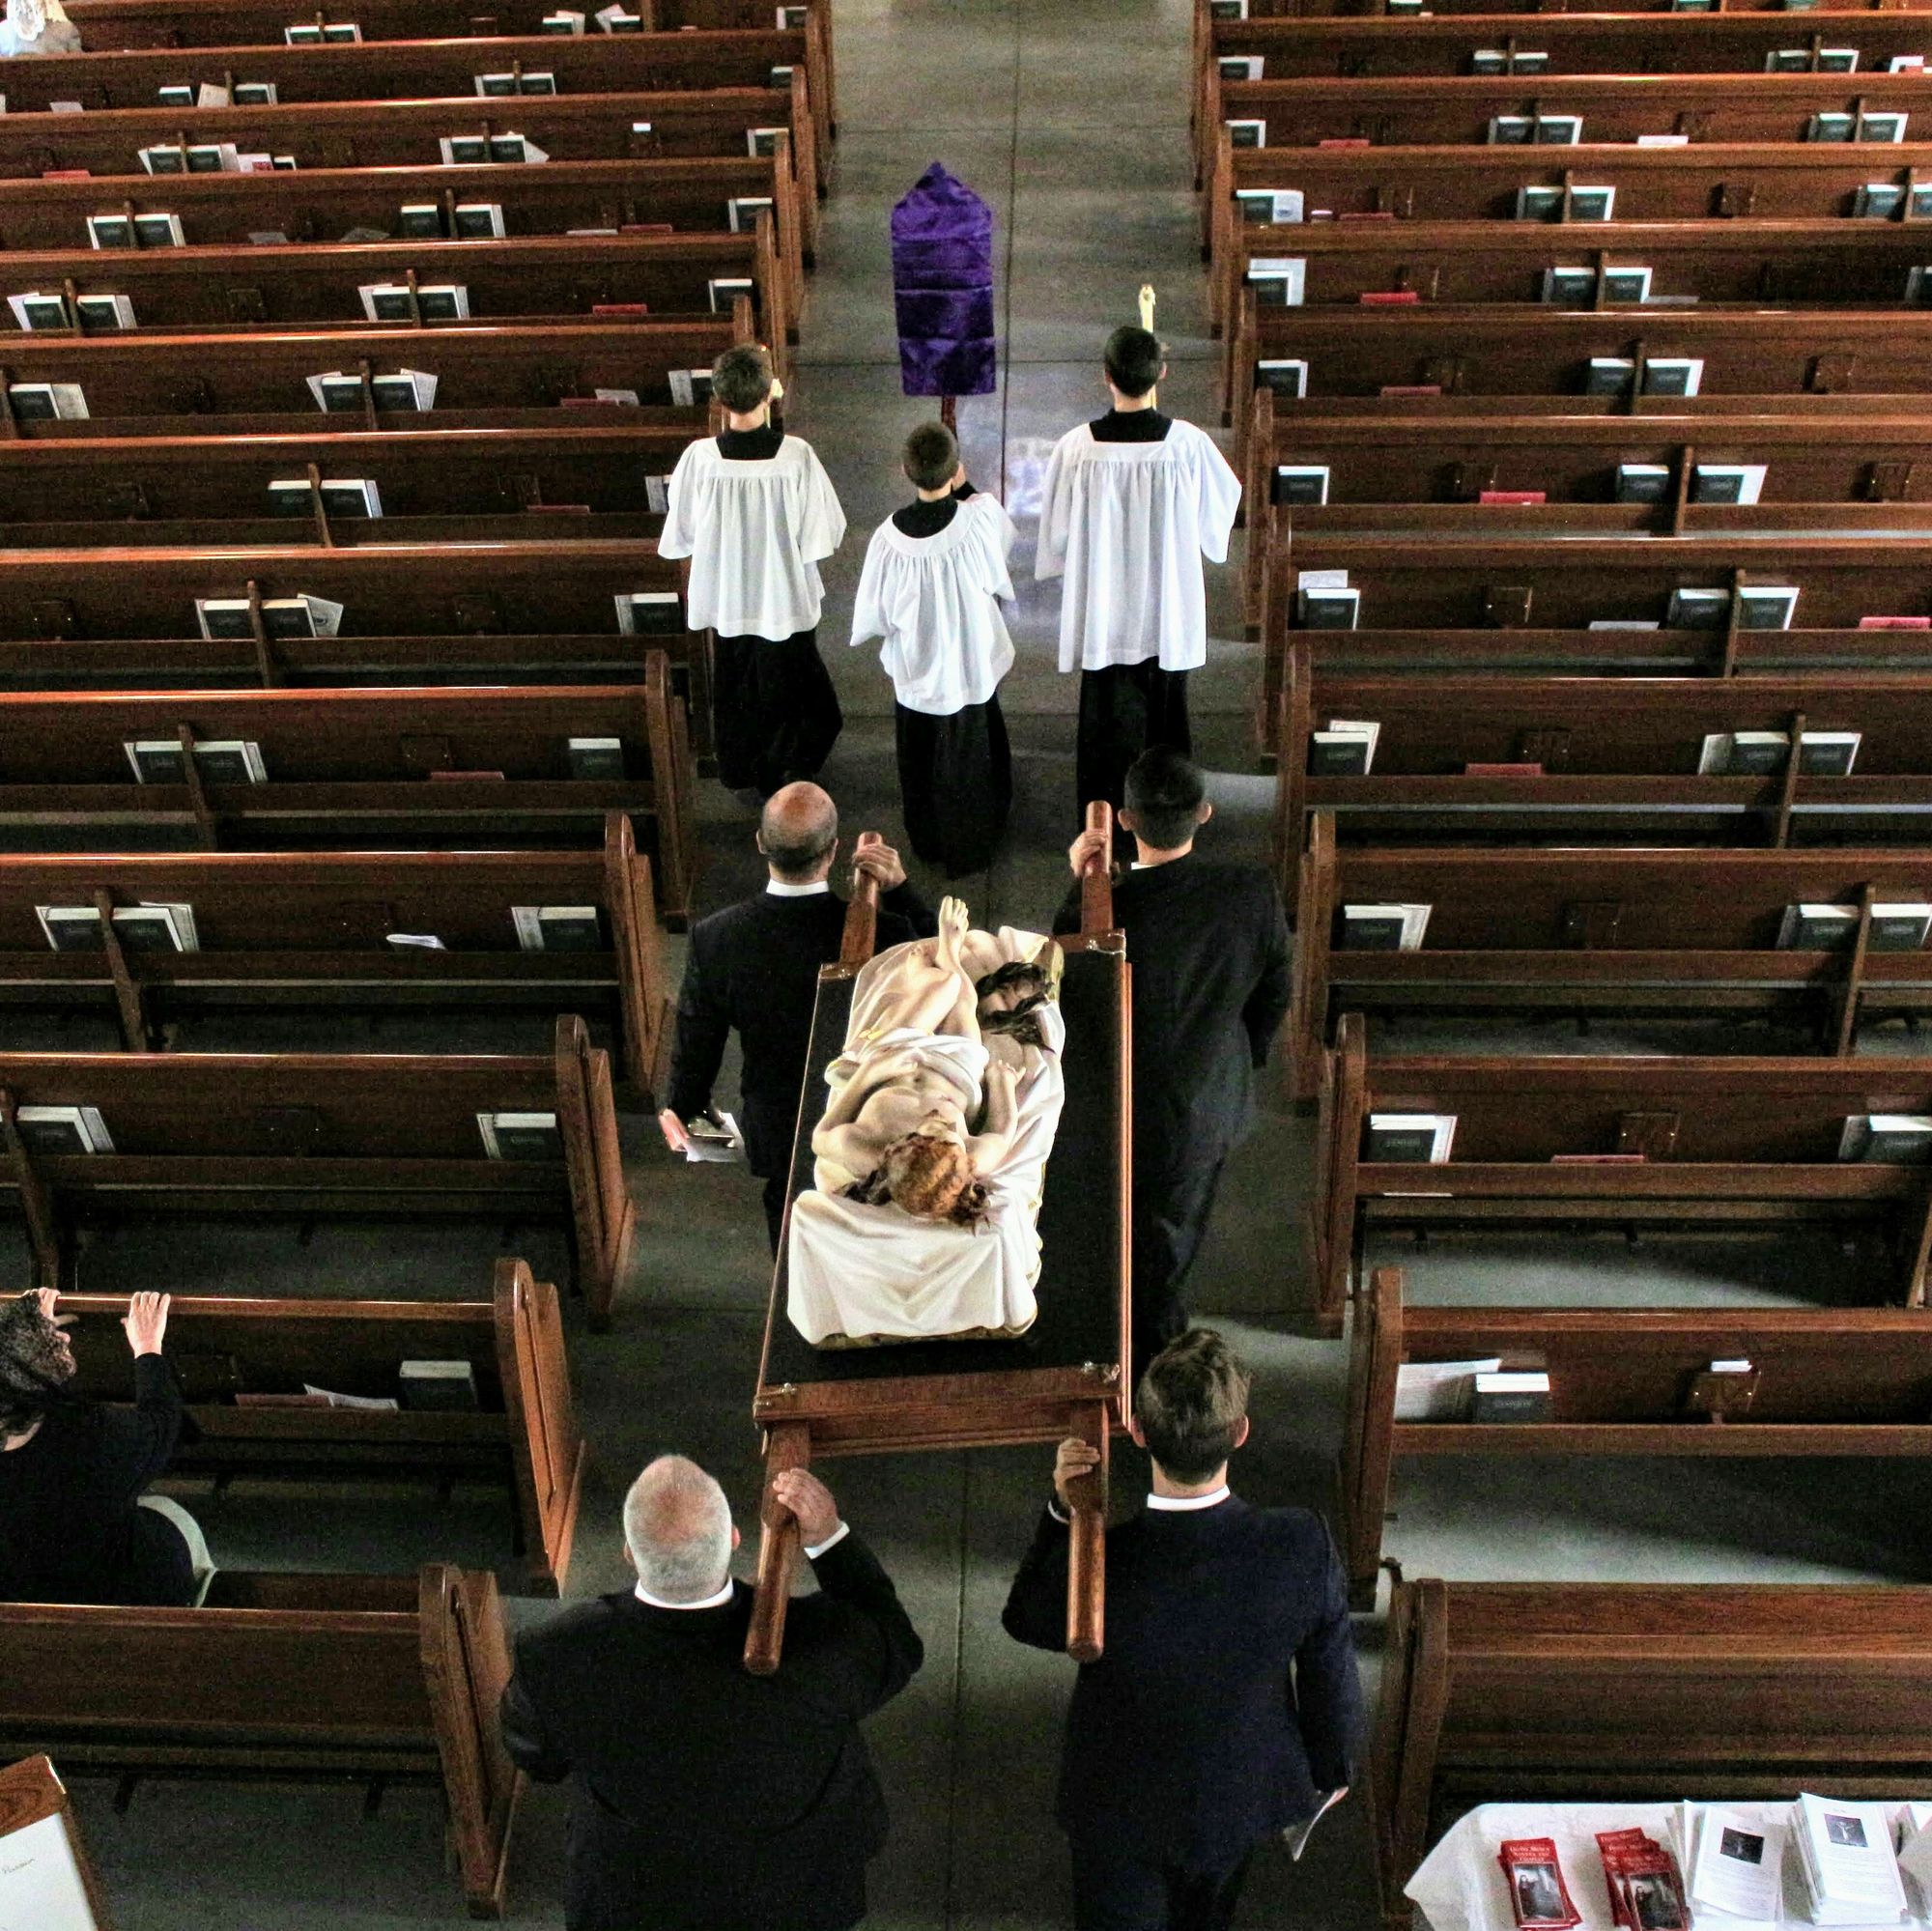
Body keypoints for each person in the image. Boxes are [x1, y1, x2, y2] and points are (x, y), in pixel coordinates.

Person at [1002, 1329, 1363, 1931]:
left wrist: (1064, 1509)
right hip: (1237, 1792)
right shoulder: (1302, 1543)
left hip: (1119, 1806)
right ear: (1240, 1434)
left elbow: (1028, 1618)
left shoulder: (1105, 1564)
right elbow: (1330, 1673)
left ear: (1138, 1433)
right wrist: (1332, 1769)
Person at [499, 1453, 923, 1931]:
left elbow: (537, 1757)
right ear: (734, 1541)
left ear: (629, 1553)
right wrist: (829, 1539)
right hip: (794, 1891)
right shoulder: (820, 1642)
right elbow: (897, 1645)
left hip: (635, 1900)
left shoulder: (555, 1653)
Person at [1054, 748, 1288, 1364]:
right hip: (1203, 1108)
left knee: (1108, 1230)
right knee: (1174, 1238)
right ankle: (1152, 1347)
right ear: (1204, 813)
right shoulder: (1251, 893)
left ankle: (1129, 1350)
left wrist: (1077, 889)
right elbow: (1274, 993)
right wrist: (1239, 1062)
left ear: (1125, 822)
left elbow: (1065, 985)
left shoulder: (1110, 909)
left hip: (1116, 1102)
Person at [660, 781, 936, 1251]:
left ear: (761, 844)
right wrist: (903, 892)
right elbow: (947, 965)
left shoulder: (716, 939)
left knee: (793, 1249)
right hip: (871, 1120)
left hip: (781, 1131)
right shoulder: (887, 932)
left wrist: (684, 1109)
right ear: (833, 850)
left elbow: (696, 1046)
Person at [1035, 325, 1242, 824]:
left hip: (1104, 613)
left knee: (1105, 731)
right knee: (1165, 728)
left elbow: (1056, 535)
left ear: (1106, 376)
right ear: (1162, 374)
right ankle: (1169, 823)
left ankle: (1101, 826)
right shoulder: (1189, 445)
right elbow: (1223, 510)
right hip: (1165, 612)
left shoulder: (1076, 448)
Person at [658, 342, 847, 798]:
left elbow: (680, 534)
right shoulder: (796, 456)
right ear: (770, 395)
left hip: (729, 599)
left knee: (738, 688)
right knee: (795, 686)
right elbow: (825, 532)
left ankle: (744, 767)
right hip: (783, 595)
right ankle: (789, 769)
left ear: (719, 400)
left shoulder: (699, 460)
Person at [850, 420, 1017, 876]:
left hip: (918, 676)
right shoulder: (978, 518)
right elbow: (1001, 543)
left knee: (922, 764)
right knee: (970, 764)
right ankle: (974, 839)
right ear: (956, 468)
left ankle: (927, 838)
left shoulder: (888, 540)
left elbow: (875, 617)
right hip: (969, 670)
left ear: (905, 470)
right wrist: (966, 488)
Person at [0, 1289, 212, 1605]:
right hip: (119, 1601)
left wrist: (25, 1348)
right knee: (172, 1514)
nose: (66, 1339)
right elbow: (162, 1423)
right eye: (50, 1340)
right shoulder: (94, 1435)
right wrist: (148, 1347)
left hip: (16, 1608)